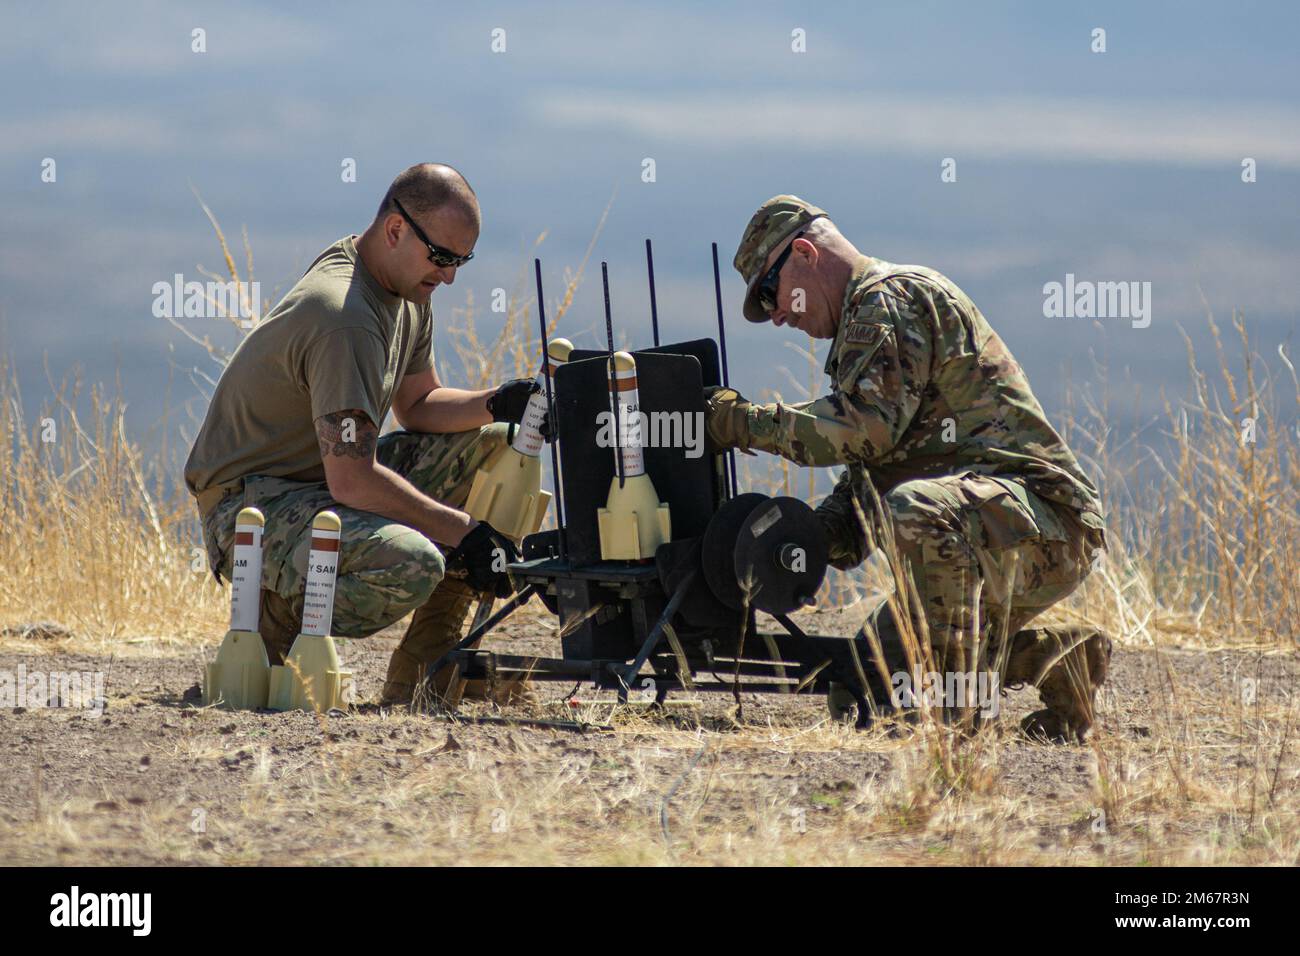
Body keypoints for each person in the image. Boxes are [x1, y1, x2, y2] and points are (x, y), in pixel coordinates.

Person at [706, 195, 1112, 740]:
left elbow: (861, 430)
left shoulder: (887, 301)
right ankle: (1058, 662)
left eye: (769, 293)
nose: (776, 315)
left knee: (916, 511)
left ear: (803, 254)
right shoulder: (864, 320)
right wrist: (804, 541)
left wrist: (742, 424)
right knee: (860, 687)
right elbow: (873, 468)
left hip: (1044, 523)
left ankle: (956, 718)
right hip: (992, 531)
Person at [185, 163, 537, 707]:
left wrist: (496, 403)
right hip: (252, 507)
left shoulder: (400, 286)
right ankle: (270, 621)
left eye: (460, 262)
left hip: (319, 482)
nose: (449, 278)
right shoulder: (345, 318)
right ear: (396, 230)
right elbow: (352, 480)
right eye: (441, 258)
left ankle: (426, 669)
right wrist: (465, 531)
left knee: (497, 444)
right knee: (413, 562)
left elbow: (417, 405)